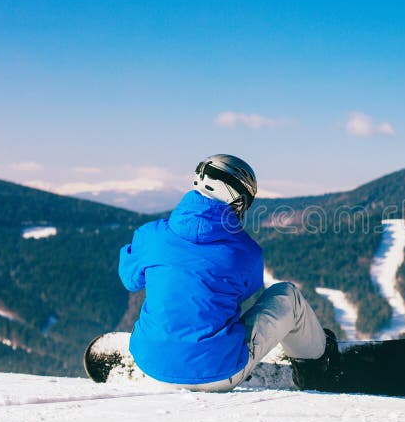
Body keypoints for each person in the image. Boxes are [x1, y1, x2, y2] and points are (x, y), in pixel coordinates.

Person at [117, 153, 339, 391]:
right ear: (237, 200)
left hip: (150, 367)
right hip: (219, 375)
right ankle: (318, 365)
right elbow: (245, 291)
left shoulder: (149, 235)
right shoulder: (246, 251)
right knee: (288, 295)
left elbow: (130, 280)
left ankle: (166, 350)